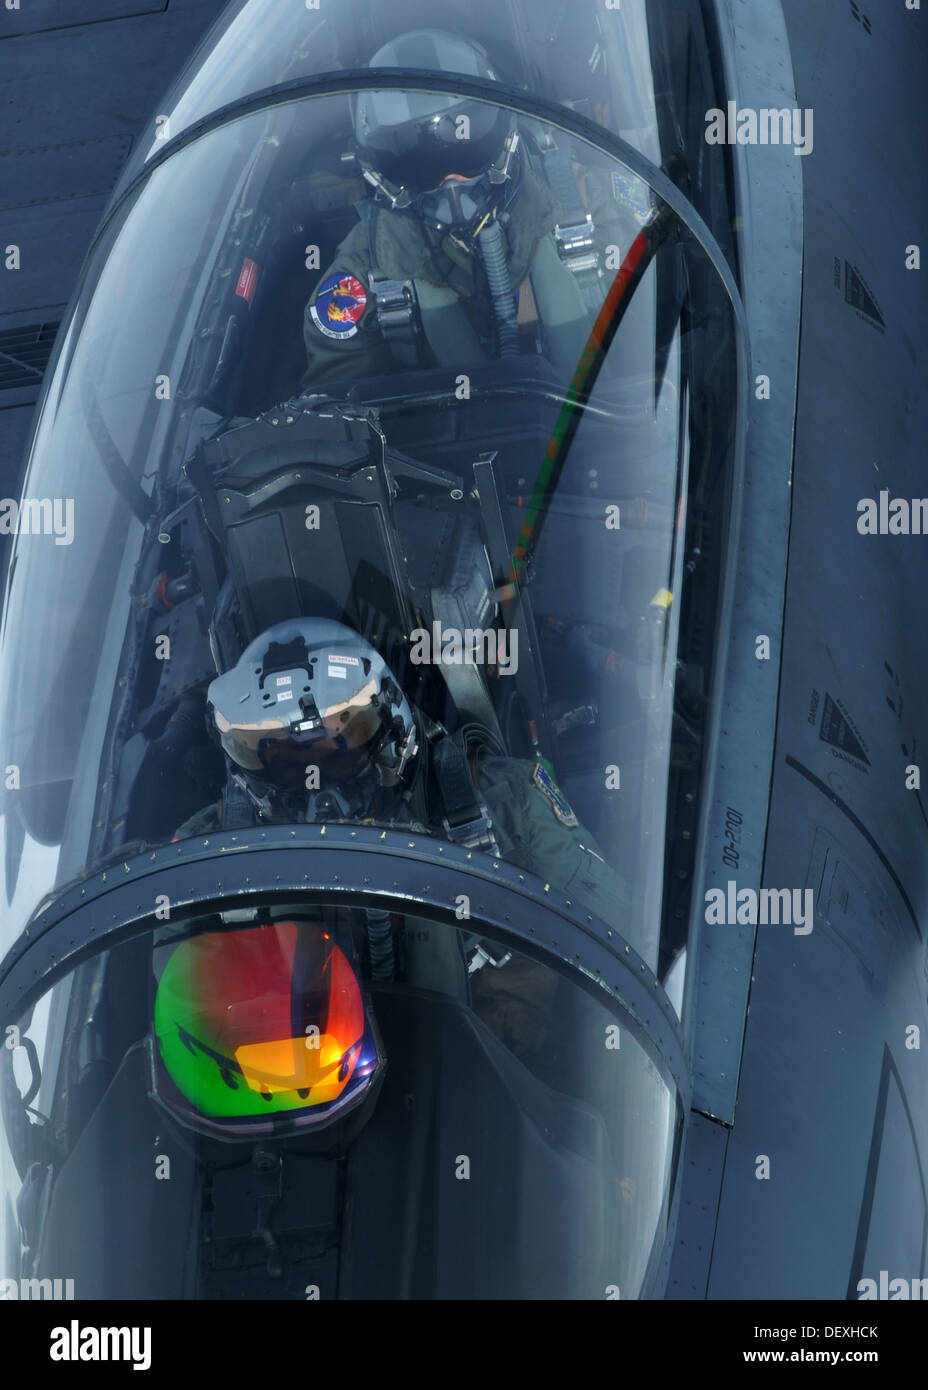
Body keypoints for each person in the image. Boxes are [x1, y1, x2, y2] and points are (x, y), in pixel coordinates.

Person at [174, 617, 626, 927]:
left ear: (392, 734)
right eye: (293, 766)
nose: (320, 788)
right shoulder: (207, 851)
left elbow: (612, 936)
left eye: (338, 753)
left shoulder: (511, 808)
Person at [301, 28, 620, 390]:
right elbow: (339, 414)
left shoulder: (589, 209)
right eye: (418, 166)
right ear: (381, 173)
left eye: (468, 151)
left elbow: (672, 345)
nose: (452, 183)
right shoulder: (363, 280)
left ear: (503, 134)